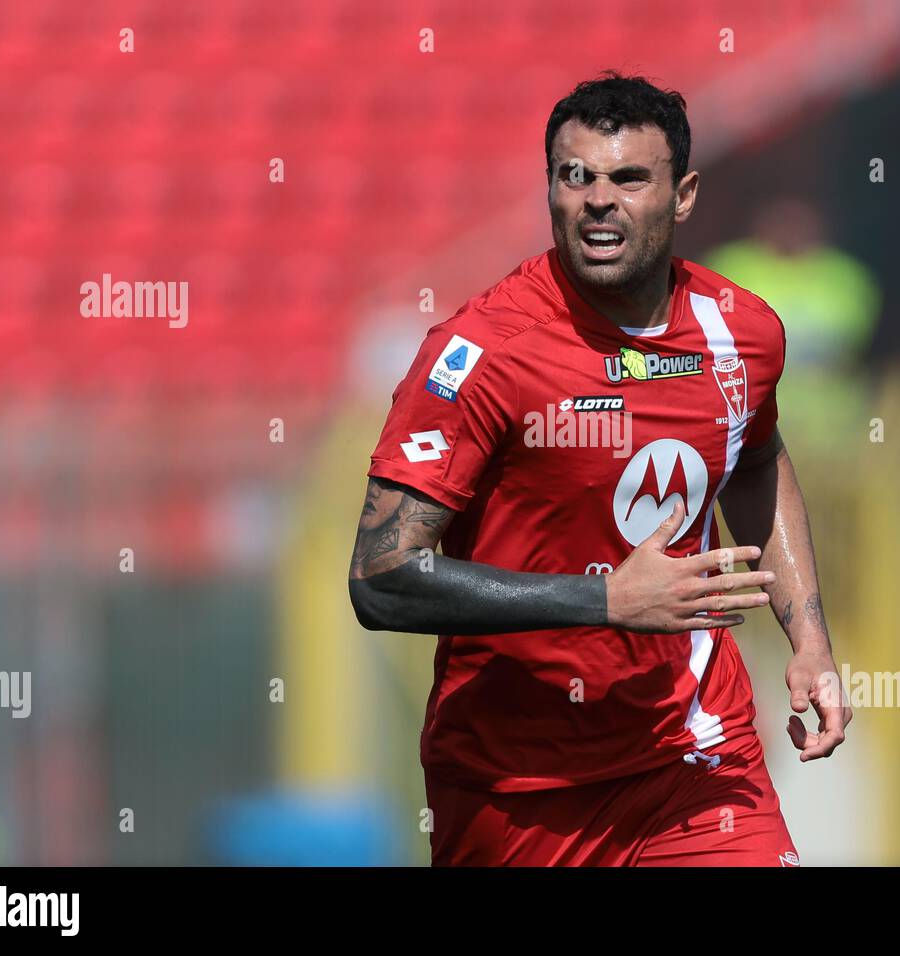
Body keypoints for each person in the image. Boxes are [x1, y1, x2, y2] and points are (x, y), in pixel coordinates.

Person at [349, 72, 850, 866]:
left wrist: (810, 638)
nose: (597, 200)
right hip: (516, 788)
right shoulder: (479, 354)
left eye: (627, 178)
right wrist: (606, 599)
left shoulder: (742, 334)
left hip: (693, 757)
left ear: (682, 195)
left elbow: (754, 458)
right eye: (574, 176)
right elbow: (380, 577)